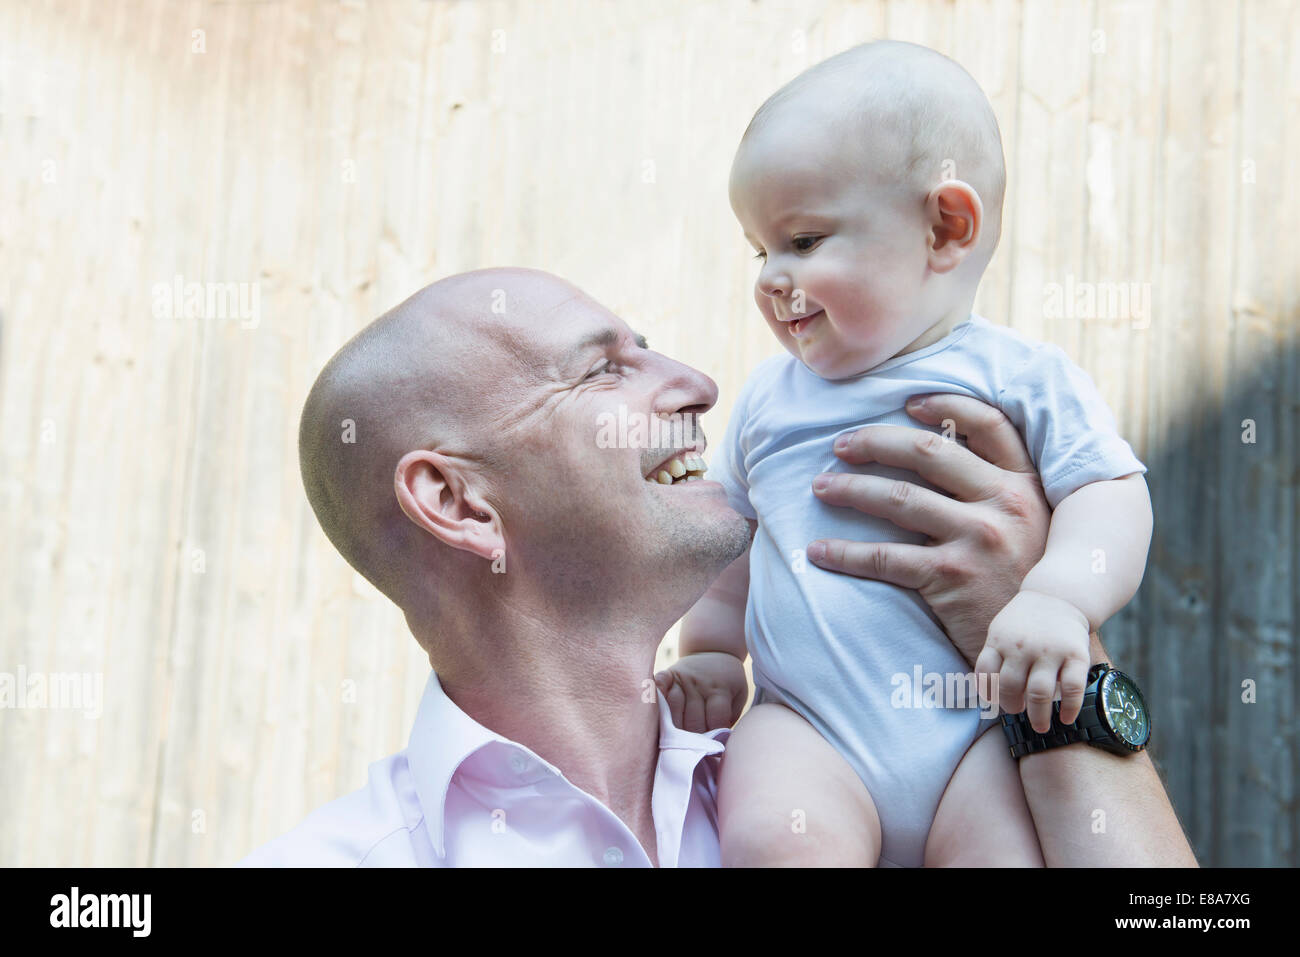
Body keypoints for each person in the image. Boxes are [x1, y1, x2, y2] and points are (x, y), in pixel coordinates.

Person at [238, 267, 1194, 867]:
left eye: (650, 349)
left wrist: (1038, 653)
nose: (697, 384)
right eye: (605, 369)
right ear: (458, 503)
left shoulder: (851, 771)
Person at [667, 39, 1159, 867]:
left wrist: (1060, 598)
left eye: (804, 238)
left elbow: (1110, 494)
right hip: (808, 723)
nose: (770, 277)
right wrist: (712, 647)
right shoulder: (766, 399)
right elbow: (732, 542)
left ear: (945, 227)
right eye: (761, 250)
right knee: (770, 842)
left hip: (975, 730)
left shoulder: (1016, 375)